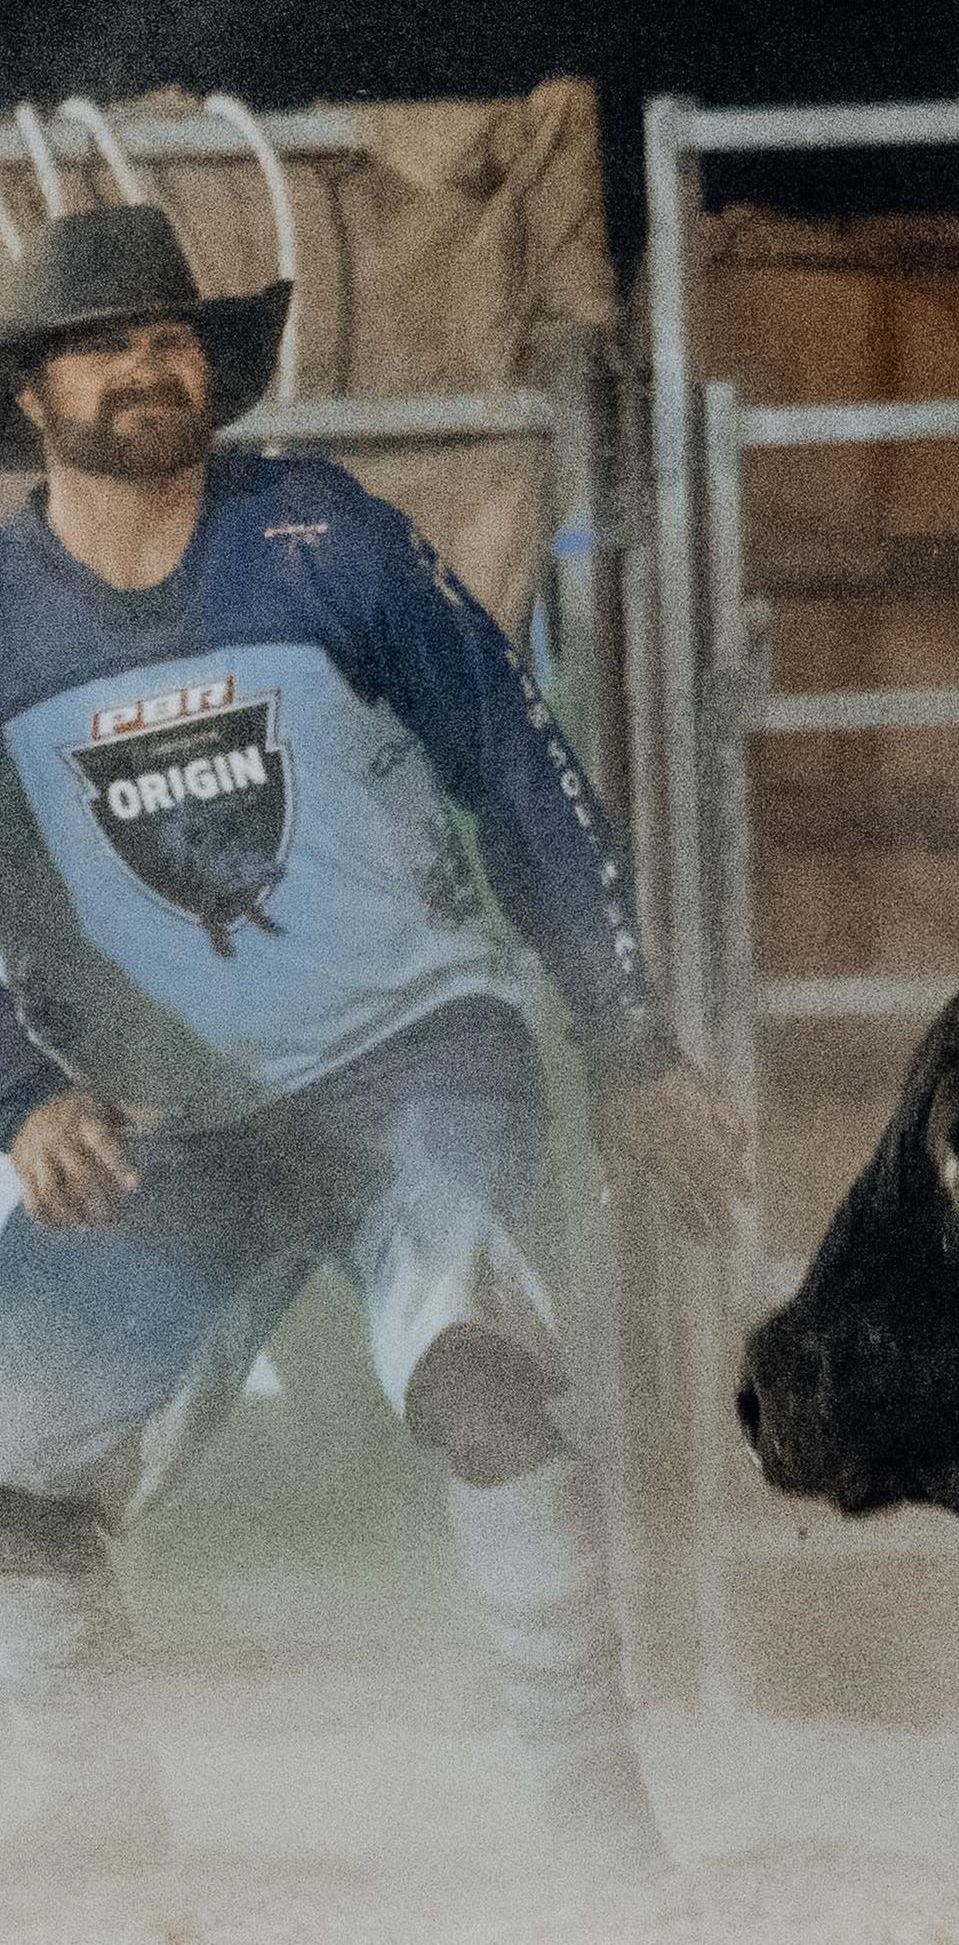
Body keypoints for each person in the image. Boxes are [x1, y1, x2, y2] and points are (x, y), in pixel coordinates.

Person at [0, 204, 739, 1884]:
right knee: (4, 1467)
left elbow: (523, 767)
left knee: (477, 1374)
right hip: (170, 1116)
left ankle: (602, 1840)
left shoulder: (324, 531)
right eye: (106, 338)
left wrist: (629, 1041)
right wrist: (26, 1092)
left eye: (173, 331)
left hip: (414, 1053)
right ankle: (101, 1828)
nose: (149, 358)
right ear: (32, 391)